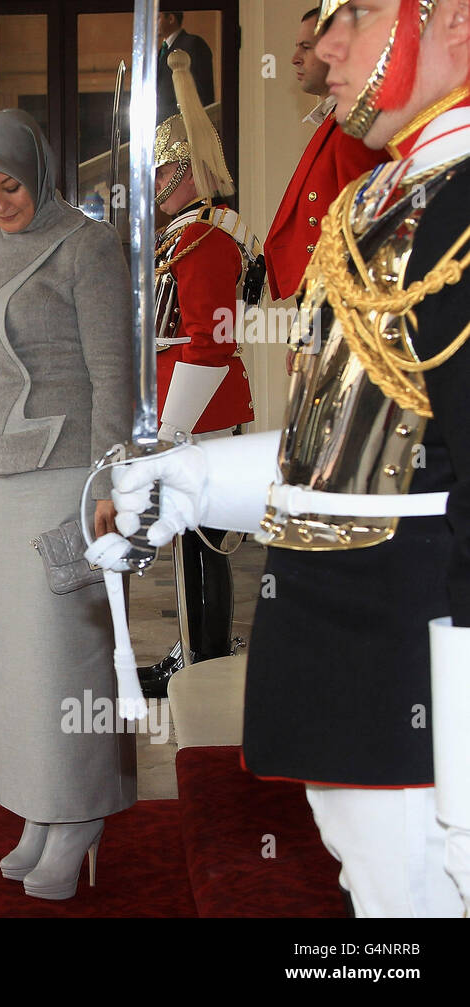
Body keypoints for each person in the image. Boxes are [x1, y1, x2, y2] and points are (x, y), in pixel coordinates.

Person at [105, 0, 470, 916]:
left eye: (359, 11)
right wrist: (185, 483)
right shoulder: (394, 191)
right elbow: (350, 455)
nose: (325, 45)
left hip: (428, 664)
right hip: (359, 650)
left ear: (453, 16)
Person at [0, 109, 136, 898]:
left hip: (67, 472)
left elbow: (114, 378)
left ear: (43, 168)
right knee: (17, 665)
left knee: (66, 656)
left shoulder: (89, 245)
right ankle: (39, 807)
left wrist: (105, 487)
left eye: (11, 186)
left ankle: (80, 815)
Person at [137, 50, 263, 699]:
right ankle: (197, 652)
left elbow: (210, 346)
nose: (154, 177)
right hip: (193, 410)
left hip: (202, 413)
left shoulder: (205, 240)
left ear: (185, 170)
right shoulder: (187, 235)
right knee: (192, 546)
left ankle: (205, 663)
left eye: (162, 166)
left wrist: (172, 429)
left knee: (204, 546)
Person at [264, 7, 388, 303]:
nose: (295, 58)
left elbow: (366, 234)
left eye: (306, 47)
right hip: (321, 296)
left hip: (340, 299)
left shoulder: (356, 126)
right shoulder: (336, 121)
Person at [157, 11, 215, 119]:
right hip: (163, 127)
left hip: (184, 125)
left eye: (158, 17)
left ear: (171, 18)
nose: (154, 23)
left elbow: (202, 92)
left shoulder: (193, 44)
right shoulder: (160, 52)